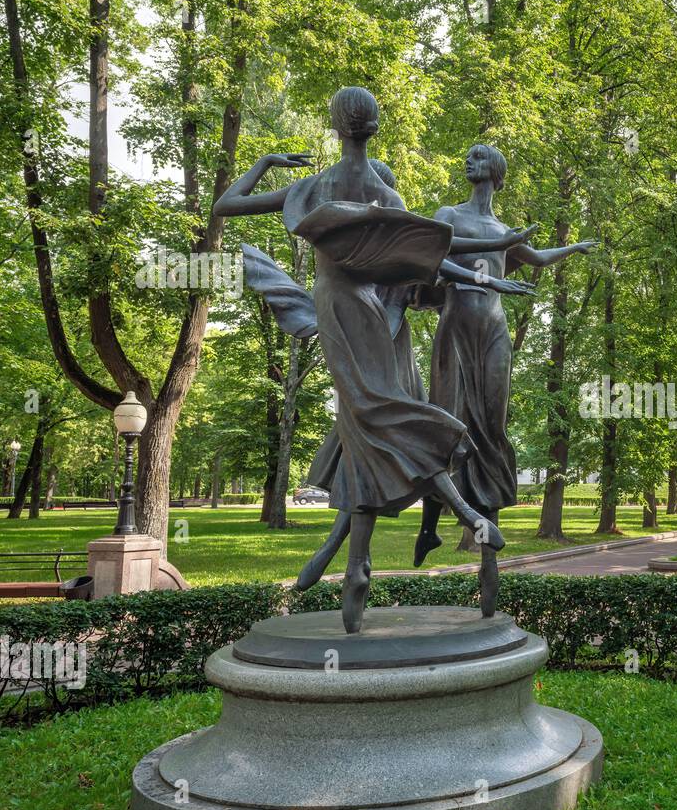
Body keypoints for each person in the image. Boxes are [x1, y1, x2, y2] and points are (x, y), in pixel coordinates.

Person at [213, 87, 532, 632]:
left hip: (340, 308)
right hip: (382, 318)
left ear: (335, 126)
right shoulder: (386, 194)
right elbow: (432, 252)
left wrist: (265, 163)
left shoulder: (314, 187)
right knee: (382, 414)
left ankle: (362, 559)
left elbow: (225, 206)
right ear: (375, 126)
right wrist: (490, 273)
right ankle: (461, 512)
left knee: (368, 419)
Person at [413, 143, 596, 567]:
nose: (468, 160)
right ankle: (429, 528)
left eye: (477, 157)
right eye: (468, 155)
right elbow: (433, 254)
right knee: (449, 422)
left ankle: (486, 523)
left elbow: (537, 258)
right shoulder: (449, 215)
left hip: (494, 330)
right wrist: (505, 243)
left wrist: (573, 248)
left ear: (495, 171)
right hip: (456, 323)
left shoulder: (502, 226)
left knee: (492, 424)